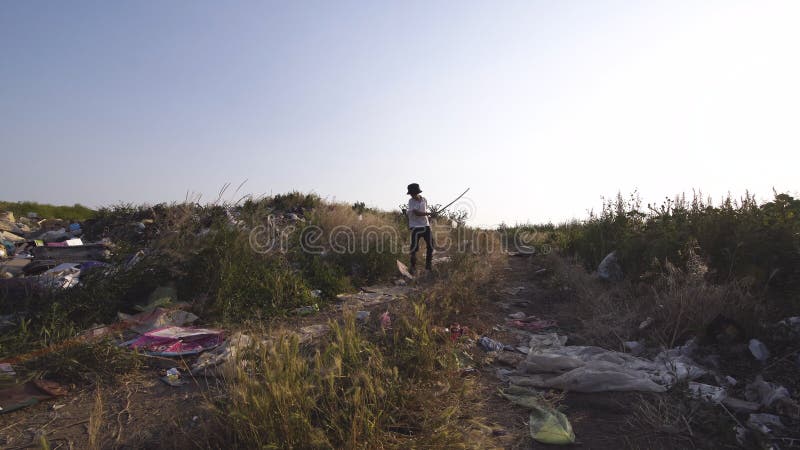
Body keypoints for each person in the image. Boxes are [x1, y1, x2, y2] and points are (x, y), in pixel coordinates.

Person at [406, 183, 434, 273]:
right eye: (411, 193)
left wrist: (429, 218)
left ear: (417, 192)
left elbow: (425, 211)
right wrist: (428, 214)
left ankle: (428, 267)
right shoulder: (411, 201)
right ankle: (413, 268)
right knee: (414, 248)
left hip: (426, 226)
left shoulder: (424, 200)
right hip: (415, 226)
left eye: (413, 193)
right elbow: (416, 213)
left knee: (431, 245)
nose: (412, 195)